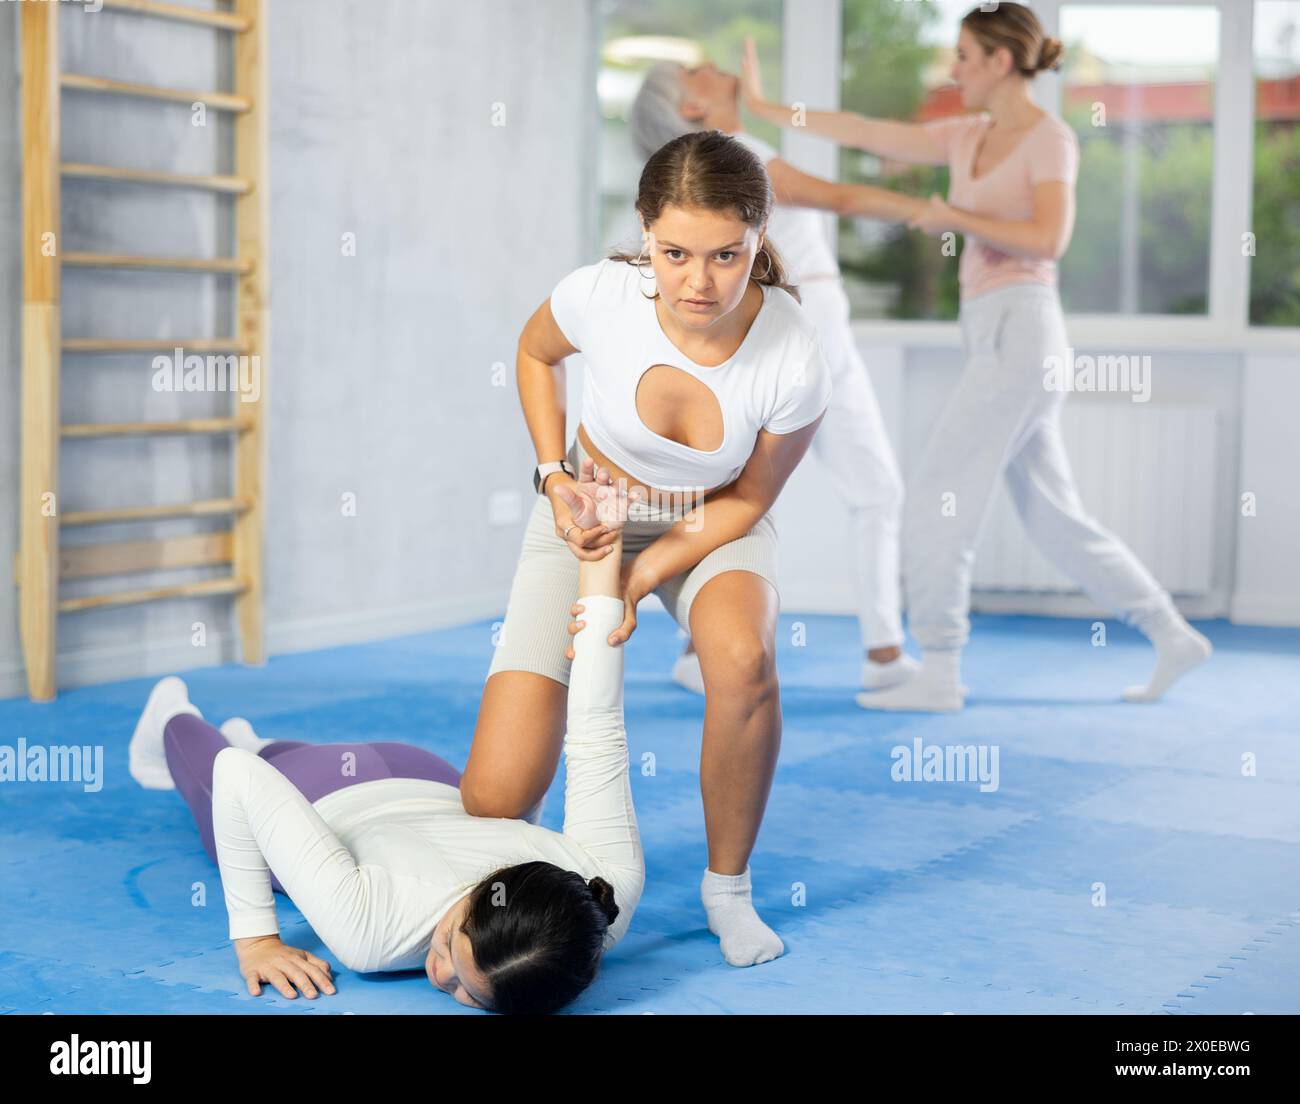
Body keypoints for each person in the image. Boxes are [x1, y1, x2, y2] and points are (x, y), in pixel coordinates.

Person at [742, 3, 1211, 712]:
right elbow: (868, 132)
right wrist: (768, 107)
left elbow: (1049, 238)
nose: (952, 69)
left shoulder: (1050, 141)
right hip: (991, 331)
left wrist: (955, 217)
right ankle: (1171, 633)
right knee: (1055, 518)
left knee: (937, 496)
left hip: (1024, 332)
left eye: (962, 56)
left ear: (999, 60)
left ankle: (941, 669)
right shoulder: (967, 136)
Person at [463, 129, 832, 967]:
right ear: (643, 232)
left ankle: (727, 892)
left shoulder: (796, 352)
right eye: (674, 254)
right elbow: (533, 351)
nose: (698, 282)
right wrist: (554, 478)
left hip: (713, 523)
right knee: (494, 796)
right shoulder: (601, 295)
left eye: (726, 256)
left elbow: (751, 498)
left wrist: (645, 574)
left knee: (742, 657)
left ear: (759, 239)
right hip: (588, 514)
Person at [128, 462, 644, 1014]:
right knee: (214, 786)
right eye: (451, 945)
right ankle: (169, 715)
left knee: (263, 762)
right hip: (322, 787)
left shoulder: (601, 896)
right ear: (481, 896)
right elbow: (233, 774)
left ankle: (258, 739)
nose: (438, 972)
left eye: (465, 994)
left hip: (412, 768)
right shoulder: (373, 936)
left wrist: (604, 556)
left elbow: (598, 724)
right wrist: (256, 939)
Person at [627, 59, 930, 695]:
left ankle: (696, 650)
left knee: (741, 487)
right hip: (808, 318)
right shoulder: (744, 160)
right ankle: (882, 656)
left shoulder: (728, 162)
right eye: (691, 72)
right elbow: (842, 198)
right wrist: (936, 210)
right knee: (864, 487)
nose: (705, 64)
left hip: (789, 319)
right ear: (691, 108)